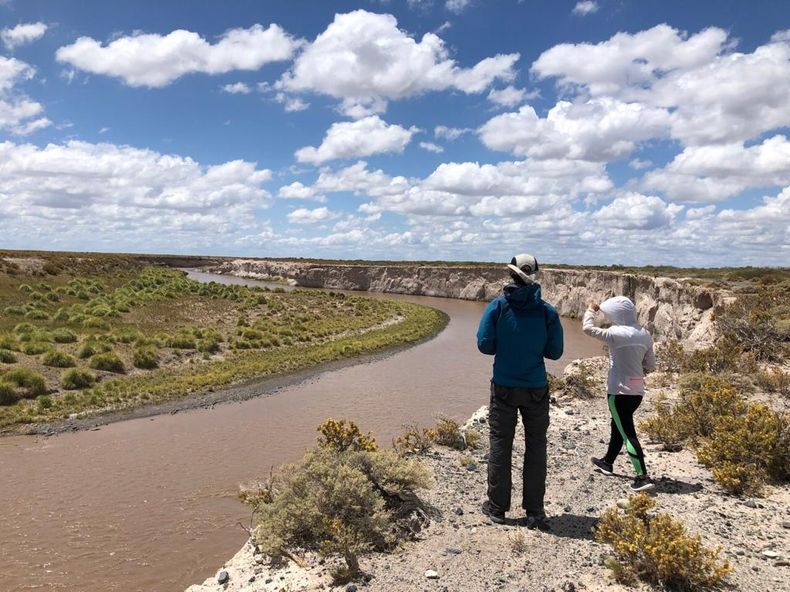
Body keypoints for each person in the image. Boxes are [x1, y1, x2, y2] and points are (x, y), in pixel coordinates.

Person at [476, 254, 564, 528]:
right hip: (535, 388)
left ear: (511, 274)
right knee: (536, 446)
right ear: (534, 276)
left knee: (501, 444)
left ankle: (498, 507)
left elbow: (484, 345)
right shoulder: (547, 311)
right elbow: (555, 352)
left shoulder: (498, 307)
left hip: (503, 386)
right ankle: (535, 510)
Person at [583, 296, 657, 492]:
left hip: (619, 391)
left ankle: (642, 476)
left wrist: (591, 310)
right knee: (618, 425)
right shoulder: (645, 334)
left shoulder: (615, 333)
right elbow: (650, 365)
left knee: (627, 432)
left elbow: (587, 329)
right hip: (637, 392)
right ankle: (607, 462)